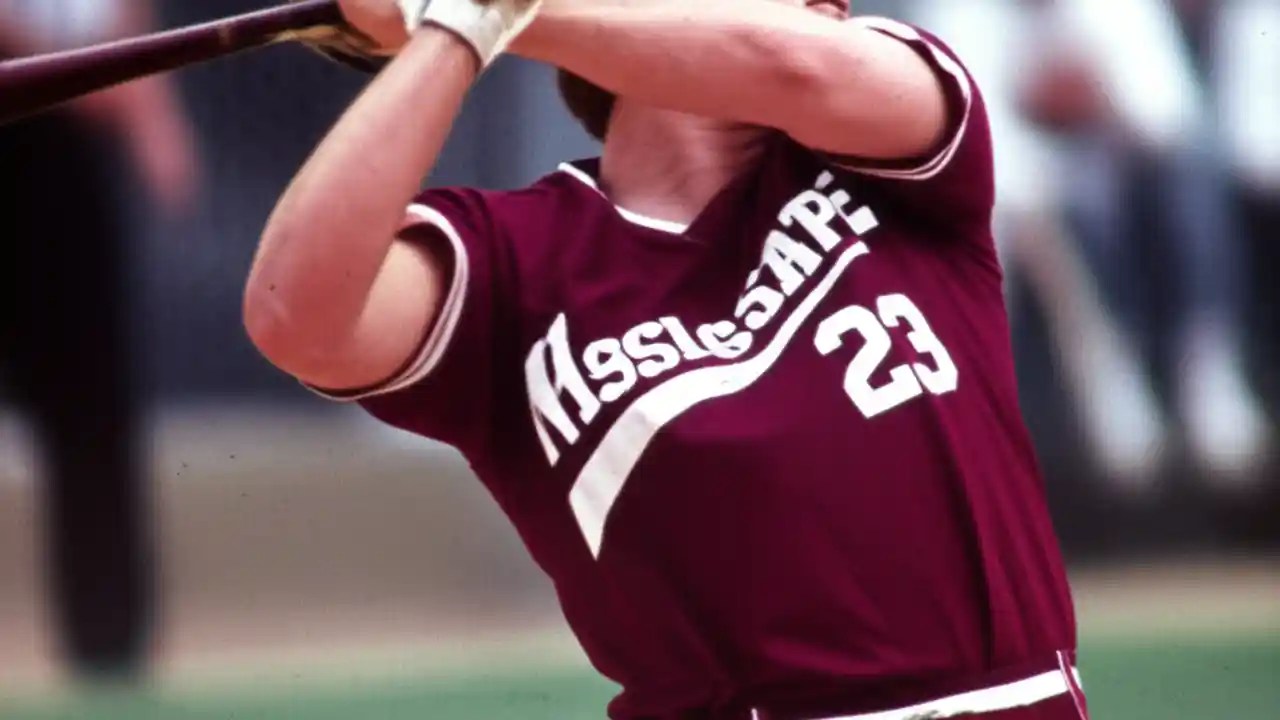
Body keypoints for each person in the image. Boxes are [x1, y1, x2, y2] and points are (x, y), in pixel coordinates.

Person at [243, 0, 1087, 718]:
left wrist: (501, 9)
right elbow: (294, 313)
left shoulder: (897, 154)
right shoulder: (515, 262)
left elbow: (791, 67)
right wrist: (451, 38)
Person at [0, 0, 197, 679]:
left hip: (68, 135)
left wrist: (146, 96)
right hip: (39, 100)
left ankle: (111, 647)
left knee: (92, 402)